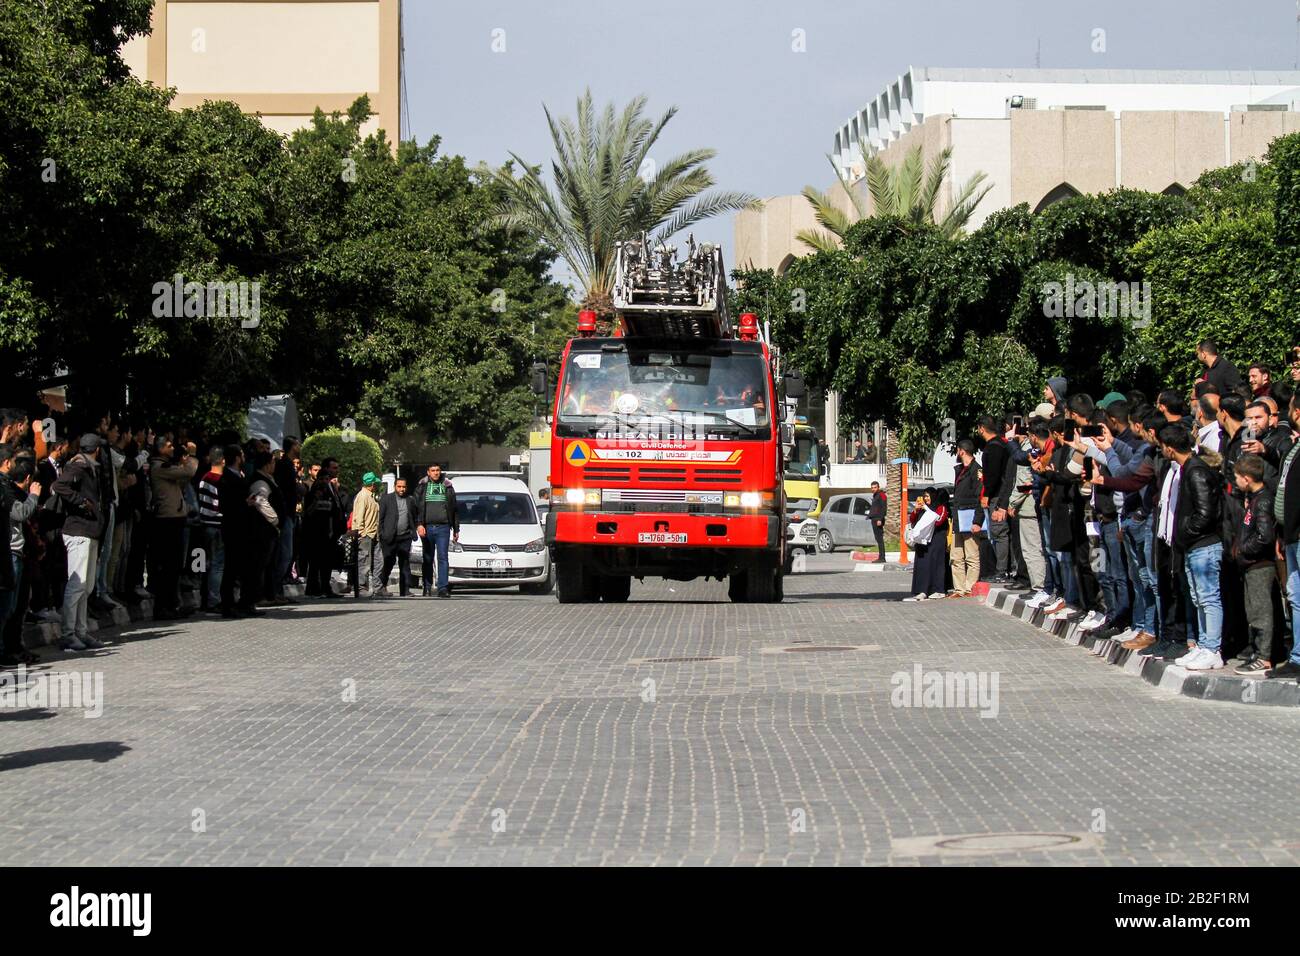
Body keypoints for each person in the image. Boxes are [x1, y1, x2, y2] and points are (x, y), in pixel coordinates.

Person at [1162, 424, 1225, 671]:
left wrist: (1185, 532)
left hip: (1204, 545)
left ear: (1169, 448)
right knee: (1199, 598)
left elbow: (1205, 512)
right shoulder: (1188, 468)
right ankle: (1203, 644)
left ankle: (1213, 649)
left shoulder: (1196, 470)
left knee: (1209, 597)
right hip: (1193, 546)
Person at [51, 433, 110, 651]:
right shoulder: (78, 466)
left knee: (87, 585)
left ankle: (81, 631)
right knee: (77, 585)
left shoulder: (90, 466)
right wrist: (81, 503)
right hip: (79, 531)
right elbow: (60, 486)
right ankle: (68, 633)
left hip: (90, 531)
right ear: (96, 450)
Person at [1230, 454, 1278, 675]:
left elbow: (1265, 536)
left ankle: (1264, 657)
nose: (1235, 482)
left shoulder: (1264, 500)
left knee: (1261, 612)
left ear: (1247, 478)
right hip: (1250, 565)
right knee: (1254, 610)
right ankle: (1257, 652)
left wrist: (1243, 549)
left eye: (1237, 477)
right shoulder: (1256, 498)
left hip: (1260, 565)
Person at [147, 436, 197, 620]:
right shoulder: (160, 467)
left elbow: (181, 482)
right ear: (160, 449)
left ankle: (172, 604)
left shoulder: (166, 467)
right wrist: (191, 456)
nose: (173, 448)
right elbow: (189, 472)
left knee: (174, 566)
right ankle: (164, 606)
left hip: (175, 518)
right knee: (168, 566)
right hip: (166, 520)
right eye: (169, 446)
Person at [976, 415, 1014, 583]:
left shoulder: (993, 448)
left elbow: (993, 475)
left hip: (998, 495)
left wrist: (986, 494)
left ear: (981, 428)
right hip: (1002, 492)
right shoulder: (1003, 444)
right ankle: (1006, 568)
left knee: (999, 532)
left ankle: (1002, 570)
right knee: (1001, 532)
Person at [414, 464, 459, 598]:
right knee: (427, 558)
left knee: (443, 558)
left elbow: (454, 509)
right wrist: (419, 524)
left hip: (443, 528)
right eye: (433, 471)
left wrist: (456, 529)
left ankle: (443, 588)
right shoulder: (422, 486)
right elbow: (416, 507)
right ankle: (427, 587)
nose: (435, 473)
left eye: (437, 470)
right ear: (428, 472)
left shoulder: (448, 486)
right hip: (427, 527)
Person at [244, 451, 282, 608]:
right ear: (266, 464)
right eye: (273, 462)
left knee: (269, 563)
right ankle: (258, 596)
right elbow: (260, 501)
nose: (274, 465)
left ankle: (268, 594)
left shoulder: (268, 479)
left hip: (268, 529)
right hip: (263, 528)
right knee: (260, 563)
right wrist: (275, 520)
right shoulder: (260, 482)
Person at [302, 458, 344, 598]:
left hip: (330, 532)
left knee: (326, 562)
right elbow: (312, 511)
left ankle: (325, 587)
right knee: (316, 561)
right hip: (318, 532)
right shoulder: (315, 490)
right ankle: (313, 588)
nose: (326, 480)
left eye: (327, 478)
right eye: (323, 478)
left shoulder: (332, 487)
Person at [949, 440, 981, 597]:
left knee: (971, 555)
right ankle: (959, 588)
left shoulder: (976, 470)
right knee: (956, 557)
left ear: (962, 451)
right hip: (957, 517)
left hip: (969, 517)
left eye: (957, 450)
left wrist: (977, 521)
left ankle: (970, 588)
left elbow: (980, 497)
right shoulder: (960, 470)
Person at [905, 489, 949, 600]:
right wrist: (916, 510)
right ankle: (921, 589)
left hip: (936, 541)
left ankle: (937, 589)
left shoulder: (940, 507)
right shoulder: (922, 509)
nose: (926, 498)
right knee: (922, 566)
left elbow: (938, 520)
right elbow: (913, 520)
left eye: (928, 496)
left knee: (935, 565)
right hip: (922, 542)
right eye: (925, 496)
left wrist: (926, 508)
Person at [379, 477, 418, 597]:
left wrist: (413, 531)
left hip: (405, 537)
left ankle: (405, 590)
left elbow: (414, 516)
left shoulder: (410, 500)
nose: (402, 489)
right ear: (395, 487)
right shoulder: (386, 499)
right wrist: (382, 534)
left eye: (404, 487)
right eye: (399, 486)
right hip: (390, 537)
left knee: (405, 563)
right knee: (388, 562)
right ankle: (382, 586)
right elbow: (380, 518)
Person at [197, 447, 224, 612]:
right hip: (218, 524)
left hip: (204, 523)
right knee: (217, 564)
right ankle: (214, 600)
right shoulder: (219, 480)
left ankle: (203, 598)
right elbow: (218, 505)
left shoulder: (203, 479)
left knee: (202, 564)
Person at [351, 472, 383, 596]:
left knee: (378, 561)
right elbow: (358, 517)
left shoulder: (371, 496)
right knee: (364, 563)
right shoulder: (362, 496)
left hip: (374, 534)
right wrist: (362, 533)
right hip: (365, 535)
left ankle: (378, 588)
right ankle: (361, 588)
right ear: (372, 484)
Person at [867, 480, 887, 563]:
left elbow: (883, 508)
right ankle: (881, 557)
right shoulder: (875, 495)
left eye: (875, 487)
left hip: (878, 519)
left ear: (878, 487)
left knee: (879, 539)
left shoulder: (882, 495)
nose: (873, 489)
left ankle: (882, 558)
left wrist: (880, 519)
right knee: (878, 538)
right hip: (874, 519)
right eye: (872, 488)